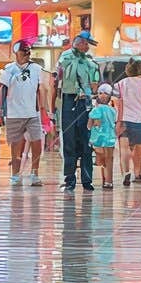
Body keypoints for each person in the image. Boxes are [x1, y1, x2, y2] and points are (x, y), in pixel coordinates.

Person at [55, 29, 101, 192]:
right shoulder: (66, 57)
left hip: (85, 103)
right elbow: (60, 75)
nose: (86, 46)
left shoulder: (91, 62)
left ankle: (87, 180)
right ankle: (69, 180)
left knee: (86, 142)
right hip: (68, 101)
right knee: (69, 141)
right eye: (84, 43)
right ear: (78, 42)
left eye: (87, 44)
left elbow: (95, 85)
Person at [0, 39, 46, 186]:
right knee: (16, 146)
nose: (26, 54)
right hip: (14, 113)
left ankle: (35, 173)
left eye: (28, 51)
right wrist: (0, 111)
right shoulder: (8, 69)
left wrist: (44, 110)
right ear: (16, 52)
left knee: (37, 142)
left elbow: (41, 90)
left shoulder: (37, 68)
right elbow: (2, 89)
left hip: (32, 113)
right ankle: (16, 175)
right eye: (23, 51)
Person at [113, 58, 141, 186]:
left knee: (124, 148)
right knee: (138, 149)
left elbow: (112, 94)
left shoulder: (121, 84)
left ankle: (125, 173)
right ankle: (138, 174)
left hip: (124, 119)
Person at [89, 87, 118, 189]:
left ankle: (105, 180)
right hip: (110, 136)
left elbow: (93, 124)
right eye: (100, 93)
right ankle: (108, 181)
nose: (102, 95)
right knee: (109, 159)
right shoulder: (113, 110)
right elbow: (115, 122)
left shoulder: (96, 110)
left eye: (104, 93)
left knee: (101, 160)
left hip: (99, 137)